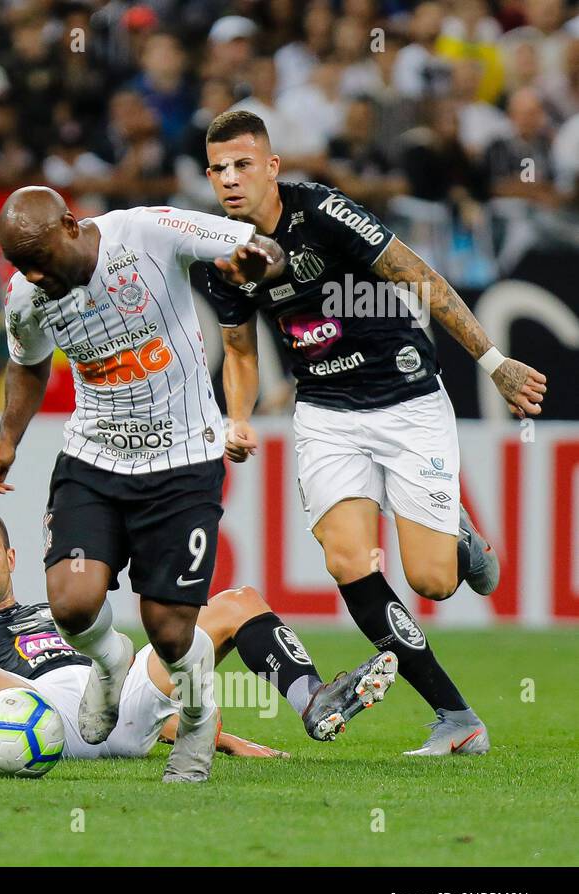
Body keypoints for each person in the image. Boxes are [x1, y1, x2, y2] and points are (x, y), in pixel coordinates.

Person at [203, 109, 547, 756]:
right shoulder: (217, 252)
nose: (229, 178)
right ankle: (456, 716)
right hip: (327, 412)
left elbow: (419, 274)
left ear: (272, 167)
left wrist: (494, 364)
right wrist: (239, 417)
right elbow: (241, 353)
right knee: (347, 561)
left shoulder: (324, 212)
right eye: (217, 168)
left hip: (407, 398)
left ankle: (460, 541)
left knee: (433, 582)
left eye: (242, 164)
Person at [0, 185, 286, 783]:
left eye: (41, 257)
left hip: (182, 462)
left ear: (71, 224)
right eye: (22, 265)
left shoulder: (145, 232)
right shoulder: (27, 294)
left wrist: (256, 264)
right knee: (70, 603)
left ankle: (196, 721)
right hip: (93, 459)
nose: (35, 274)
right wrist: (9, 439)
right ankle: (111, 662)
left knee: (170, 631)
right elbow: (29, 361)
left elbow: (259, 247)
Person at [0, 506, 398, 759]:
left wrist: (223, 738)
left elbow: (153, 714)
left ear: (11, 556)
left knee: (235, 602)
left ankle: (314, 700)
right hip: (37, 717)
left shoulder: (56, 610)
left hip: (115, 707)